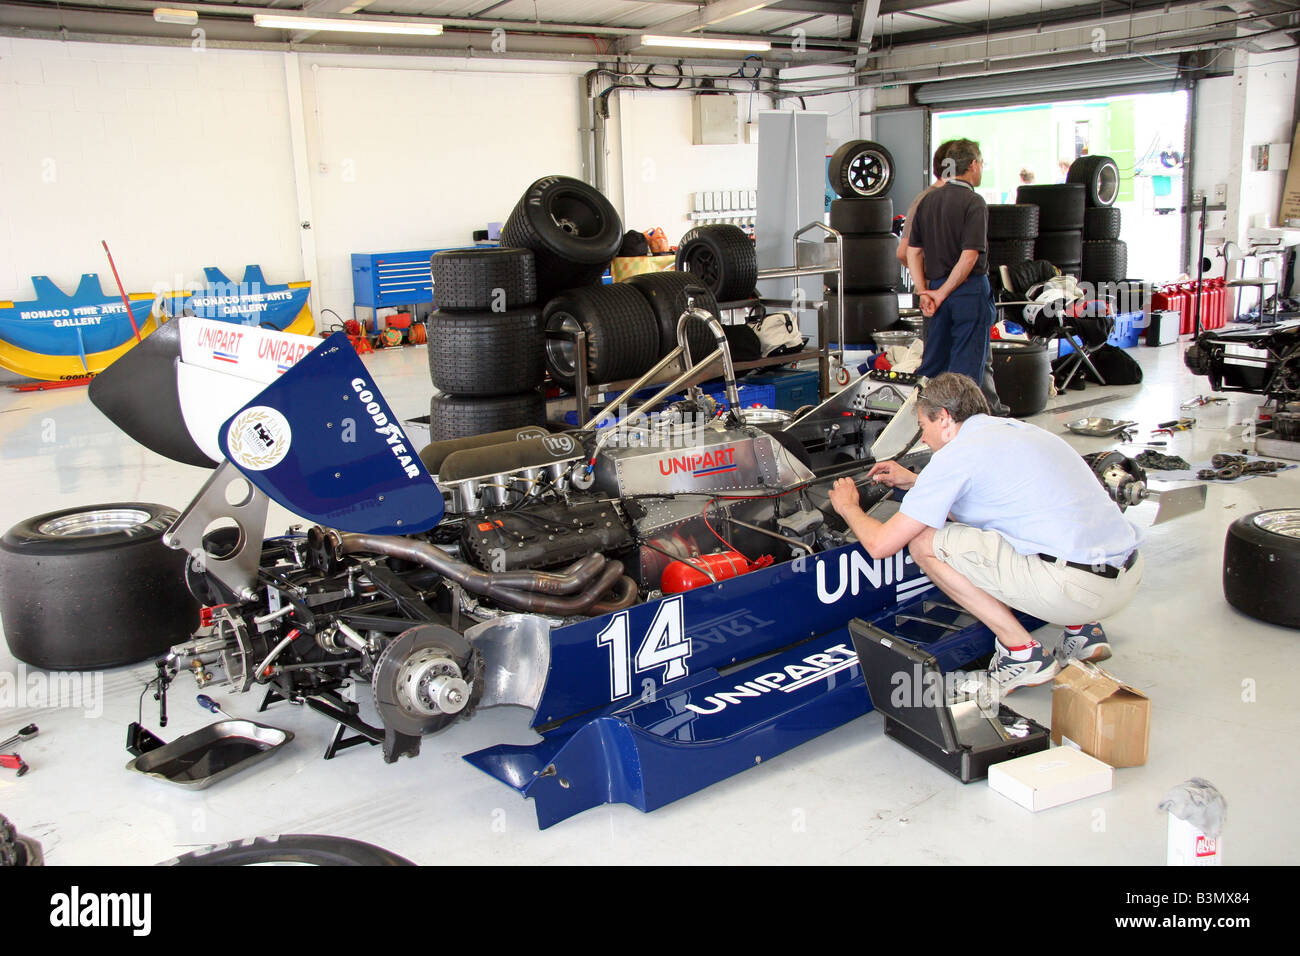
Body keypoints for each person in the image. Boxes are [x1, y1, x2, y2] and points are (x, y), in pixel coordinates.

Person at [827, 372, 1142, 693]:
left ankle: (1022, 655)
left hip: (1076, 590)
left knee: (923, 542)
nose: (923, 439)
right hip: (1125, 577)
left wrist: (848, 506)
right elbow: (989, 500)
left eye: (924, 427)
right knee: (1021, 520)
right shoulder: (1018, 430)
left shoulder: (954, 456)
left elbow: (881, 544)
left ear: (945, 419)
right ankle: (1082, 632)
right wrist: (913, 481)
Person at [906, 139, 997, 388]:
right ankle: (960, 425)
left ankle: (923, 422)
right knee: (965, 373)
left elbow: (912, 252)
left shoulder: (928, 201)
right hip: (967, 291)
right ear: (973, 165)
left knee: (932, 367)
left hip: (934, 292)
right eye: (981, 164)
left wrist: (924, 290)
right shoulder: (974, 202)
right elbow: (969, 256)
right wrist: (942, 292)